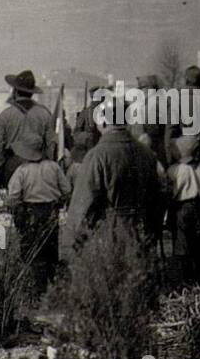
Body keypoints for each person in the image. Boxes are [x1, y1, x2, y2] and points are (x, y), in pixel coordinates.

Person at [67, 87, 165, 246]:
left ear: (103, 122)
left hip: (110, 237)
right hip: (143, 235)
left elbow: (82, 205)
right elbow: (157, 197)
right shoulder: (146, 153)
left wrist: (75, 241)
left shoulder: (97, 156)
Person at [5, 138, 71, 294]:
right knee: (51, 252)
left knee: (32, 253)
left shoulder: (22, 171)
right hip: (51, 213)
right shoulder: (54, 167)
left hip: (30, 214)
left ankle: (35, 290)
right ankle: (53, 289)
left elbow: (13, 197)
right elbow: (67, 190)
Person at [0, 70, 57, 184]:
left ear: (15, 91)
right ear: (32, 93)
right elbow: (51, 144)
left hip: (13, 164)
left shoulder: (5, 115)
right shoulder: (45, 114)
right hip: (38, 165)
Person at [166, 135, 200, 288]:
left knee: (182, 246)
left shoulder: (175, 170)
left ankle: (184, 282)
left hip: (182, 208)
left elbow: (171, 192)